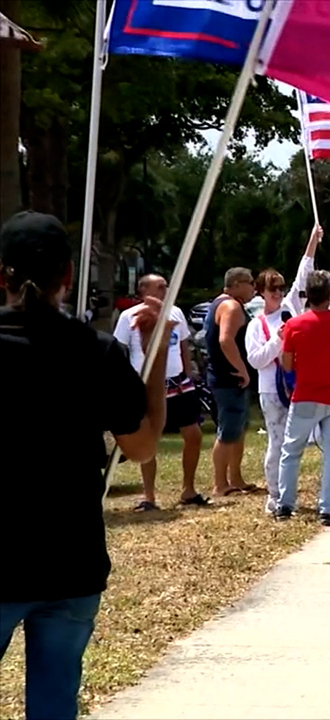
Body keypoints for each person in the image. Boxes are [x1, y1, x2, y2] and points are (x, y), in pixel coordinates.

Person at [0, 211, 169, 720]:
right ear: (68, 275)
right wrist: (157, 352)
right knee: (55, 704)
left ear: (2, 274)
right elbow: (142, 447)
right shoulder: (97, 352)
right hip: (70, 560)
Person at [113, 273, 208, 511]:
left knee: (194, 434)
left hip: (178, 382)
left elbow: (183, 344)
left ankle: (188, 489)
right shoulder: (129, 316)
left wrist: (188, 372)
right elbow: (120, 349)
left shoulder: (175, 313)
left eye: (166, 286)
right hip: (146, 382)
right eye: (159, 287)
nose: (165, 290)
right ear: (143, 291)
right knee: (148, 440)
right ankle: (149, 496)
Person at [275, 270, 330, 525]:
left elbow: (287, 364)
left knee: (291, 450)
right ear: (329, 294)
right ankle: (327, 508)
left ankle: (285, 504)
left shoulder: (294, 325)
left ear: (307, 295)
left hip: (305, 395)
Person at [245, 224, 320, 514]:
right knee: (277, 443)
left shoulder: (291, 308)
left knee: (296, 443)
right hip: (271, 389)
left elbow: (305, 272)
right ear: (261, 292)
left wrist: (312, 241)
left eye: (280, 287)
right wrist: (278, 340)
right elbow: (256, 360)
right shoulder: (256, 325)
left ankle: (289, 494)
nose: (277, 293)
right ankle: (274, 497)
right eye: (272, 288)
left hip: (298, 385)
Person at [205, 266, 260, 497]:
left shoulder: (220, 303)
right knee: (228, 431)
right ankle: (220, 484)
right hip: (229, 378)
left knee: (238, 428)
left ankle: (236, 478)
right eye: (251, 283)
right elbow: (225, 340)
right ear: (237, 284)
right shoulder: (231, 306)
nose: (254, 287)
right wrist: (242, 370)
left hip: (226, 378)